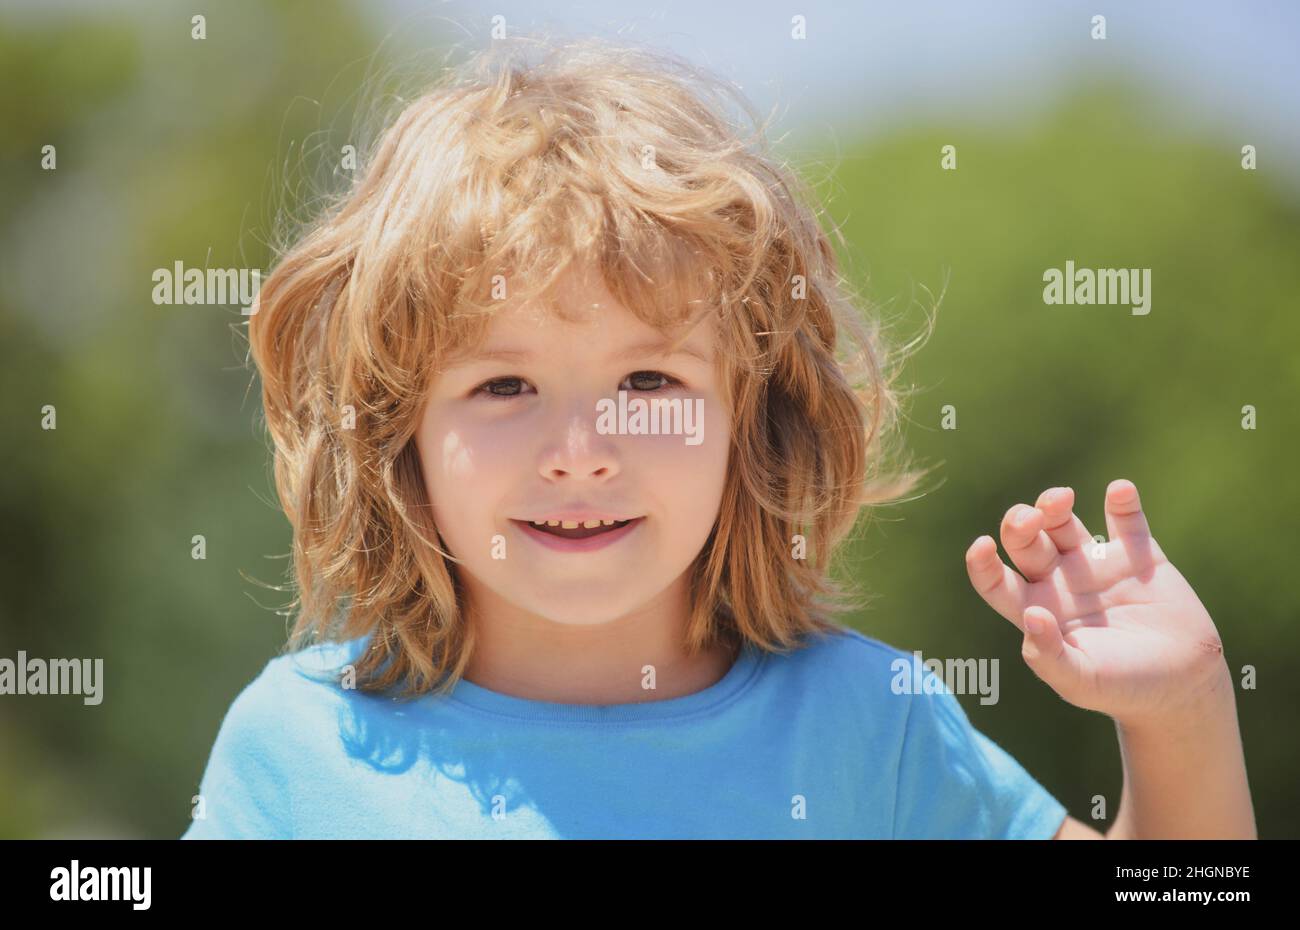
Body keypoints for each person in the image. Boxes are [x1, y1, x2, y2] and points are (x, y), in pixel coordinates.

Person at [182, 34, 1254, 839]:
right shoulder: (297, 752)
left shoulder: (862, 729)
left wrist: (1182, 711)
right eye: (503, 384)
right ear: (395, 434)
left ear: (755, 416)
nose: (581, 449)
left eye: (649, 378)